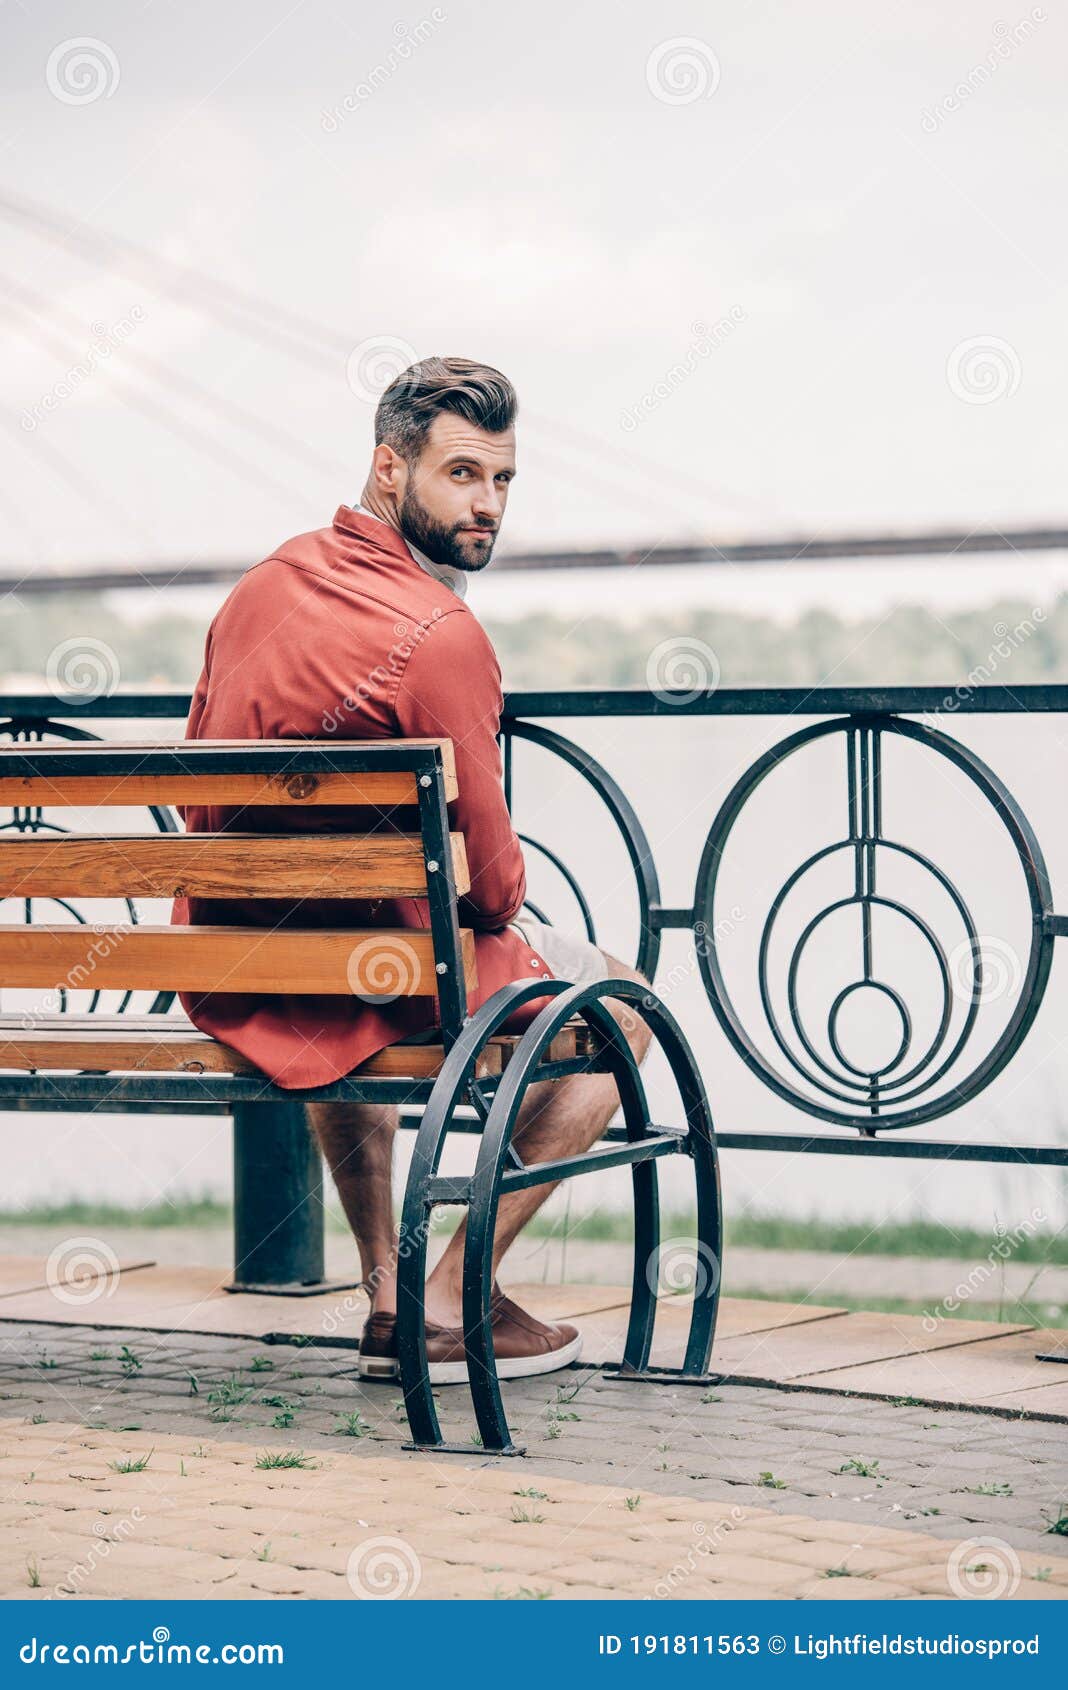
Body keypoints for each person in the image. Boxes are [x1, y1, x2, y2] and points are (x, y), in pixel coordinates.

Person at [173, 356, 652, 1383]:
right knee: (626, 1003)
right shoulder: (441, 633)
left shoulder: (257, 591)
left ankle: (386, 1299)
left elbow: (194, 803)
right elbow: (493, 889)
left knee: (351, 972)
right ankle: (448, 1293)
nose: (488, 506)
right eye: (463, 475)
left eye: (504, 481)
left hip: (244, 969)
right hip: (382, 973)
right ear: (389, 470)